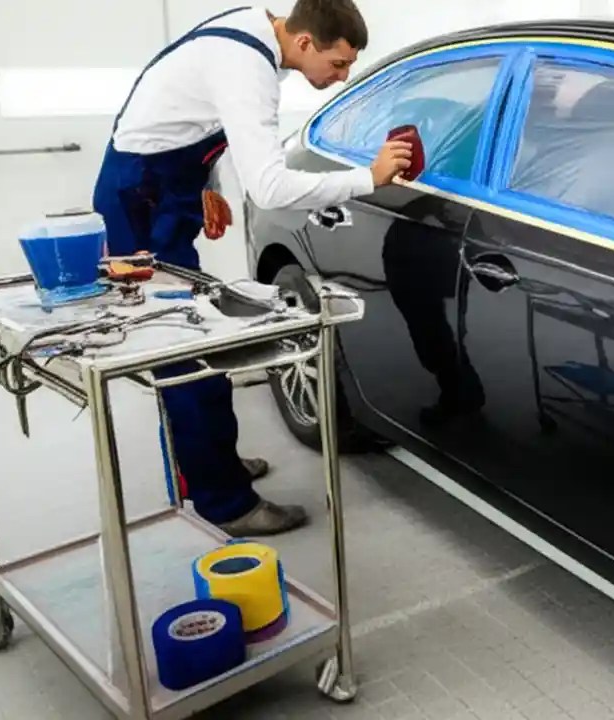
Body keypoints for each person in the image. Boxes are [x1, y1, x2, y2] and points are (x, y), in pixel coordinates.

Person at [92, 0, 412, 536]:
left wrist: (207, 185)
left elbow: (191, 114)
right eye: (337, 65)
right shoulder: (248, 67)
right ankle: (225, 503)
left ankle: (207, 469)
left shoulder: (254, 26)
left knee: (195, 347)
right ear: (305, 43)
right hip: (139, 206)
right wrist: (368, 178)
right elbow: (270, 188)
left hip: (160, 188)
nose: (341, 78)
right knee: (184, 356)